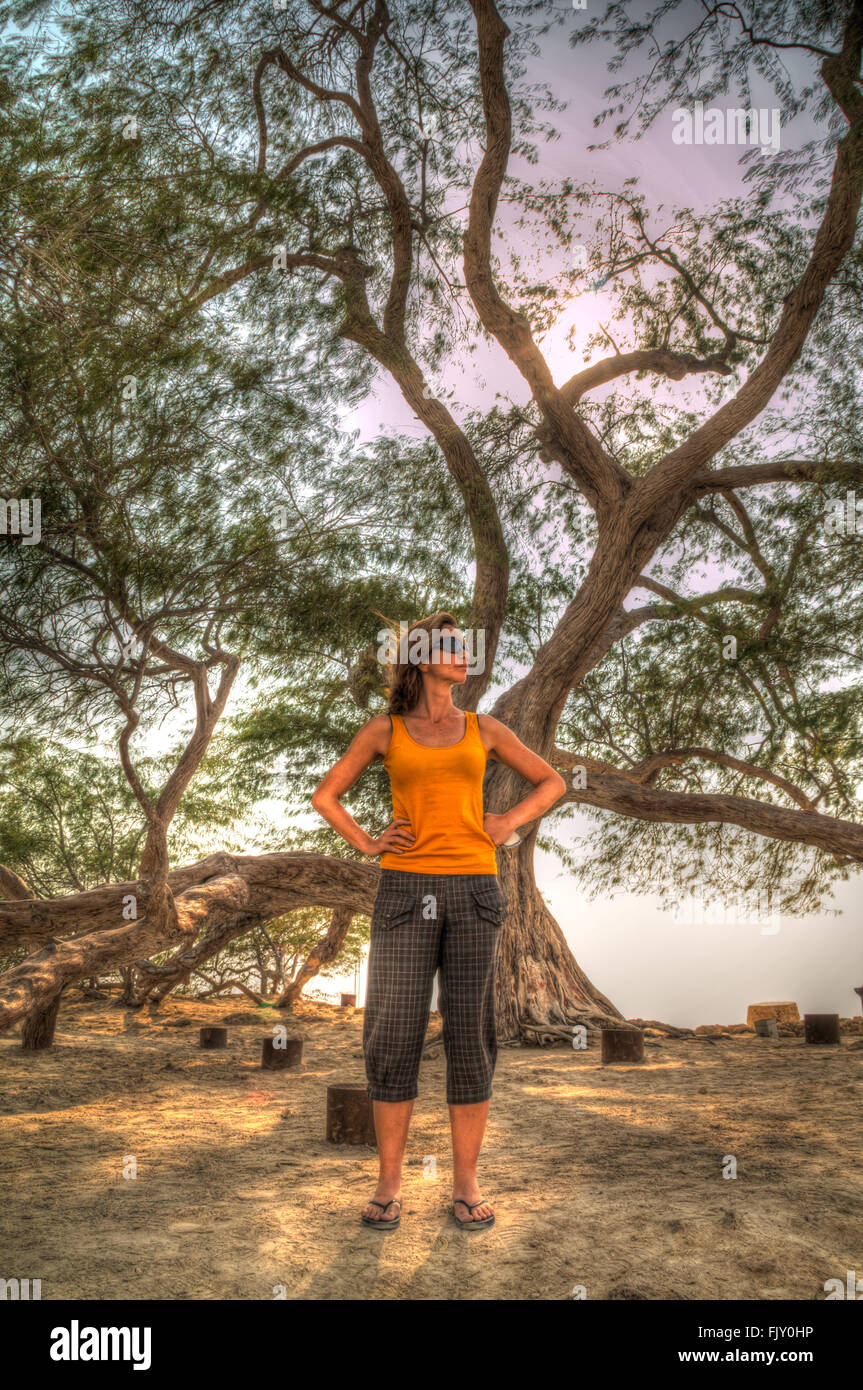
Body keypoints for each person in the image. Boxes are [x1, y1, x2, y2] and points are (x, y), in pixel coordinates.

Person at [311, 611, 566, 1231]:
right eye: (451, 647)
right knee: (392, 1032)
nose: (463, 655)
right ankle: (390, 1184)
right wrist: (371, 843)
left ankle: (466, 1184)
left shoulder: (484, 729)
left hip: (476, 892)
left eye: (465, 648)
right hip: (403, 892)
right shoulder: (385, 730)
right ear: (423, 660)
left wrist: (506, 825)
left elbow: (551, 782)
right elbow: (326, 796)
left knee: (470, 1035)